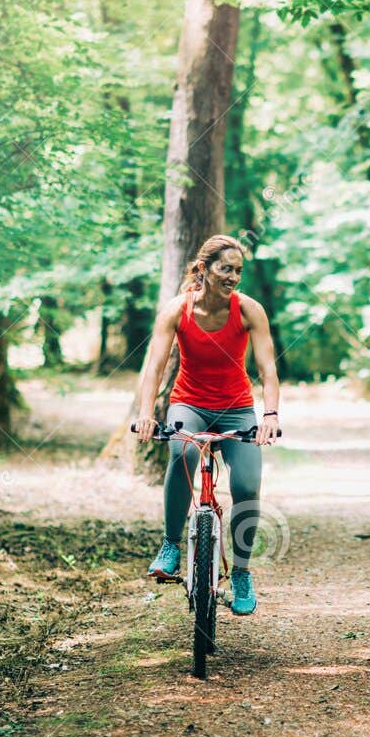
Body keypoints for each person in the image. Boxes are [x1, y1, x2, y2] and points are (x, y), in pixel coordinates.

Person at [133, 235, 280, 615]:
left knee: (247, 484)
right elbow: (154, 365)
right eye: (225, 269)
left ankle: (242, 574)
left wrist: (270, 415)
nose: (233, 277)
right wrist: (147, 412)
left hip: (237, 408)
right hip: (190, 403)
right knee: (182, 452)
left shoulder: (249, 311)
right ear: (204, 269)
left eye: (238, 271)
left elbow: (267, 367)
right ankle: (170, 545)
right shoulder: (176, 310)